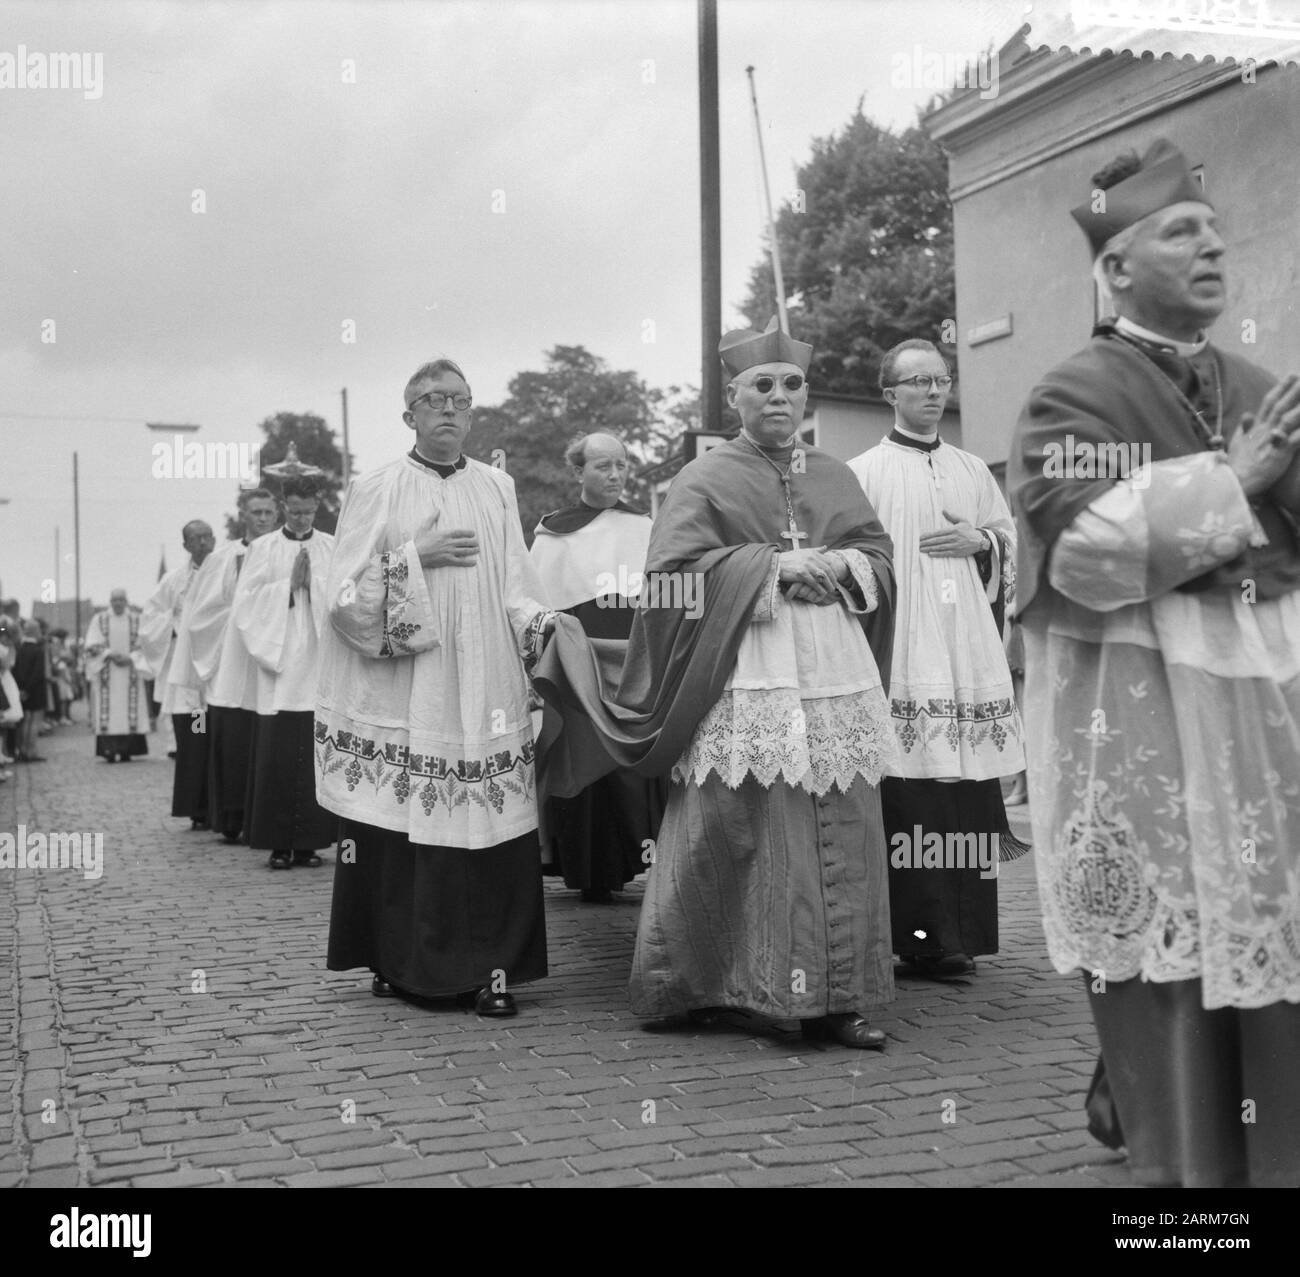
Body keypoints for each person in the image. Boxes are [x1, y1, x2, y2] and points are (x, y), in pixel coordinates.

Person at [1008, 138, 1300, 1187]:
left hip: (1260, 737)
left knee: (1276, 969)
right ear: (1117, 266)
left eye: (1218, 233)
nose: (1213, 247)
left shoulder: (1262, 381)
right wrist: (1234, 479)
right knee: (1168, 980)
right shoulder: (1070, 395)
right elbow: (1080, 557)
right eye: (1183, 231)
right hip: (1140, 727)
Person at [536, 318, 899, 1048]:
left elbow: (881, 558)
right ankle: (707, 982)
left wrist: (844, 569)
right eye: (762, 384)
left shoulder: (834, 475)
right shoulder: (704, 479)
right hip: (745, 672)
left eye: (792, 384)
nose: (779, 397)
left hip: (830, 671)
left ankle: (839, 997)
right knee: (736, 827)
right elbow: (667, 586)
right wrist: (767, 567)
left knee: (846, 826)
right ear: (735, 395)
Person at [319, 357, 554, 1017]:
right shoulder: (376, 488)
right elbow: (342, 597)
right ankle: (405, 965)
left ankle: (494, 971)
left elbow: (517, 581)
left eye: (460, 399)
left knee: (491, 818)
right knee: (408, 823)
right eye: (433, 399)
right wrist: (412, 559)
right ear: (409, 415)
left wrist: (541, 626)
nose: (448, 409)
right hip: (410, 686)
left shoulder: (496, 487)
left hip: (486, 684)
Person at [849, 340, 1025, 979]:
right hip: (904, 644)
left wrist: (983, 540)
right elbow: (850, 559)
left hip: (965, 643)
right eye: (916, 381)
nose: (932, 391)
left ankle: (966, 934)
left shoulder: (974, 469)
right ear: (889, 392)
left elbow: (1011, 542)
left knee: (968, 790)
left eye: (940, 380)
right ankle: (920, 937)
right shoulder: (861, 471)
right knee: (913, 791)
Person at [529, 432, 666, 902]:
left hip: (632, 659)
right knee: (584, 753)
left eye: (621, 466)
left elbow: (664, 595)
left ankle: (631, 861)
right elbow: (537, 604)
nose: (614, 475)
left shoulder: (645, 526)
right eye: (602, 466)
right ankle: (585, 867)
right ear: (578, 472)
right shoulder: (553, 534)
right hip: (578, 659)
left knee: (629, 762)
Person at [233, 477, 337, 869]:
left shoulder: (330, 546)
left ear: (317, 507)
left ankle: (310, 843)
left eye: (307, 511)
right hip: (277, 666)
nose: (300, 518)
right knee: (277, 758)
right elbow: (245, 605)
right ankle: (278, 844)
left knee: (314, 756)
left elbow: (347, 597)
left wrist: (317, 586)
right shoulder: (262, 549)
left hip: (317, 665)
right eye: (293, 510)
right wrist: (287, 589)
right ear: (283, 505)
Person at [169, 490, 278, 842]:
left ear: (277, 515)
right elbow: (200, 615)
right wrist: (240, 605)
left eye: (267, 512)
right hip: (234, 665)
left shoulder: (285, 550)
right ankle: (233, 819)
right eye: (255, 512)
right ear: (243, 515)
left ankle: (269, 820)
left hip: (275, 665)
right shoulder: (223, 558)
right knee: (233, 745)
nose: (262, 518)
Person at [141, 521, 216, 829]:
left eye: (206, 537)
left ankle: (223, 809)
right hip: (188, 681)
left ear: (214, 540)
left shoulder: (226, 571)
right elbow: (151, 617)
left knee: (220, 743)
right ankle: (198, 809)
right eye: (194, 538)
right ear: (185, 545)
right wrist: (174, 626)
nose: (202, 543)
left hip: (218, 675)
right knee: (195, 739)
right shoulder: (174, 580)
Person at [83, 589, 150, 762]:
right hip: (108, 672)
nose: (118, 603)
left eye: (121, 599)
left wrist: (130, 657)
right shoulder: (100, 620)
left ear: (126, 600)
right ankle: (109, 750)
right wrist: (109, 654)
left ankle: (128, 750)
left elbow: (146, 644)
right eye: (114, 600)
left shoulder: (137, 619)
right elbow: (91, 644)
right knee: (110, 713)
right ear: (110, 601)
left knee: (129, 711)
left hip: (131, 671)